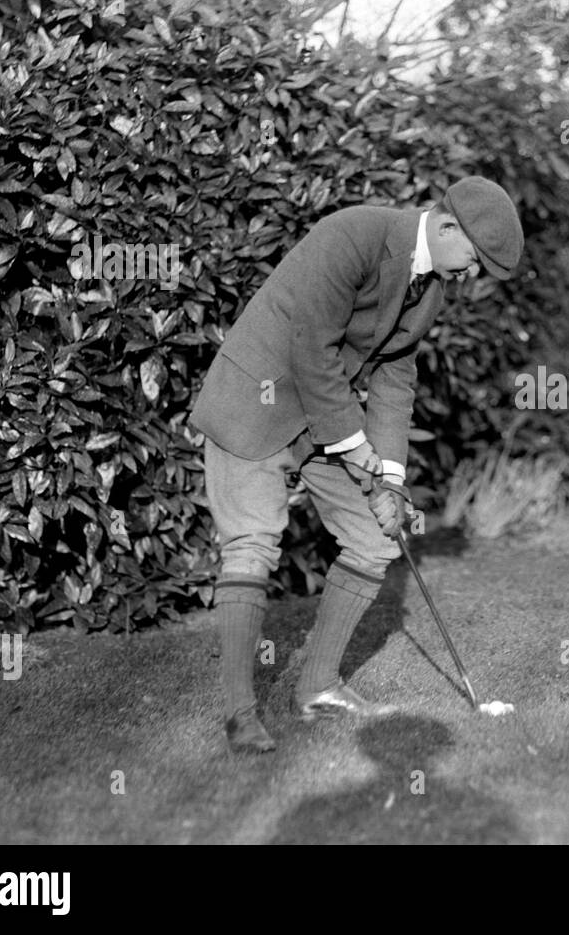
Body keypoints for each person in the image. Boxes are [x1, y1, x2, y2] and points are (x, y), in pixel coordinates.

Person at [188, 177, 524, 754]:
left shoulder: (431, 288)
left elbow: (396, 377)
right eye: (473, 258)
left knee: (375, 536)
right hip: (256, 403)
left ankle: (317, 687)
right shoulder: (353, 233)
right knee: (253, 544)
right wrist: (355, 447)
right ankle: (239, 716)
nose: (471, 275)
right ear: (447, 228)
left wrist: (389, 477)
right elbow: (311, 348)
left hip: (323, 417)